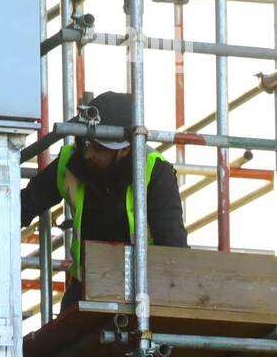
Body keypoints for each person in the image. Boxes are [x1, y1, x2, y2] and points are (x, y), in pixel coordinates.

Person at [21, 90, 188, 313]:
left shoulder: (154, 172)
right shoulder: (70, 162)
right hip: (86, 288)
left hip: (142, 289)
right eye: (86, 143)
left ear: (124, 150)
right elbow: (21, 208)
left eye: (98, 148)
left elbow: (173, 248)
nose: (88, 154)